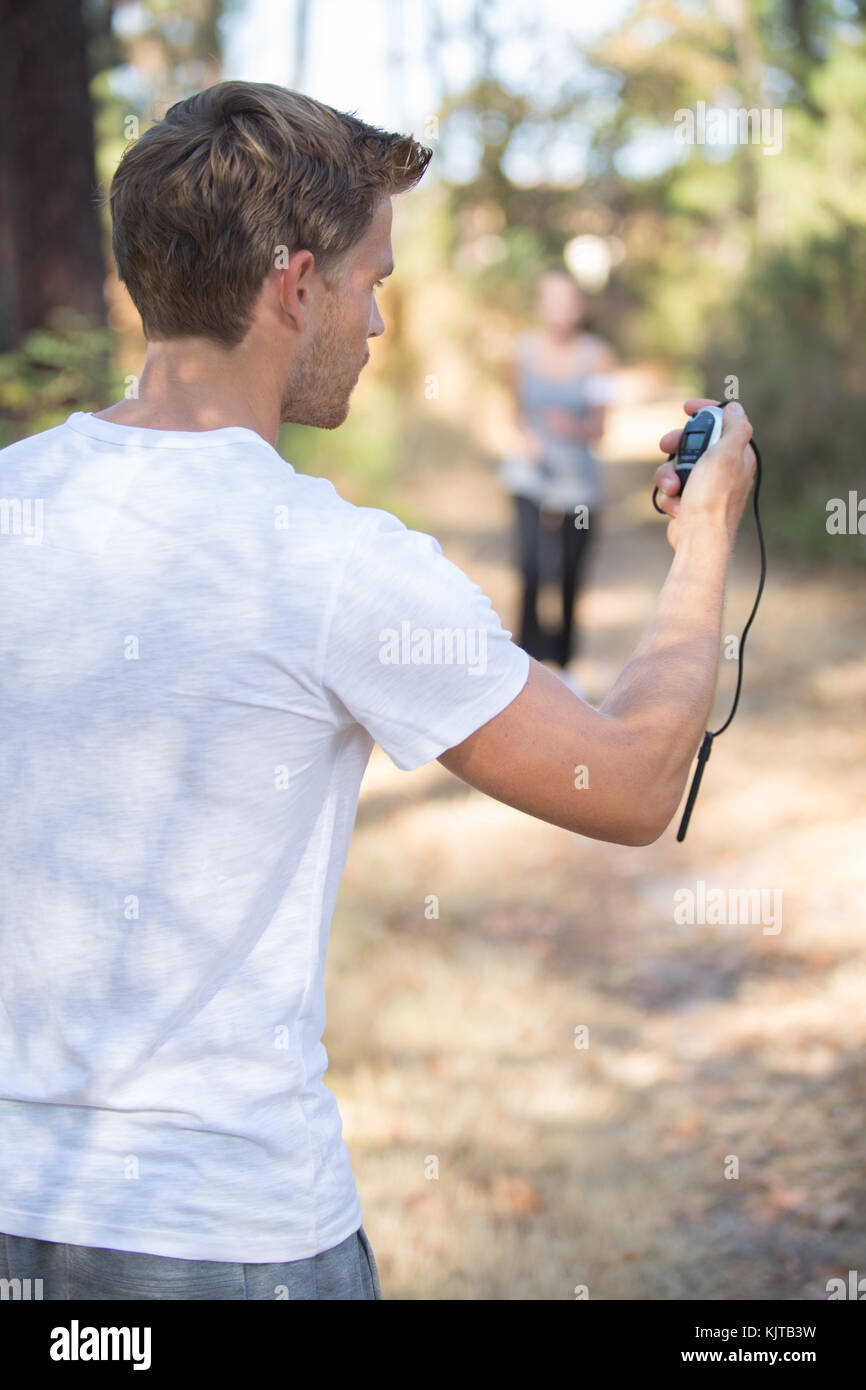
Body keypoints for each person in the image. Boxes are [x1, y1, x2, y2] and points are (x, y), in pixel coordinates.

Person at [0, 80, 756, 1302]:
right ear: (295, 286)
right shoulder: (332, 561)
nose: (378, 321)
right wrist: (707, 533)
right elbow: (625, 784)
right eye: (374, 282)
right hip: (227, 1238)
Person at [500, 268, 617, 688]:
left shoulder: (599, 355)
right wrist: (528, 435)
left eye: (567, 301)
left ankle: (566, 667)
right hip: (529, 474)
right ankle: (526, 667)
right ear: (540, 305)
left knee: (569, 571)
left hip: (578, 480)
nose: (559, 310)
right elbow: (515, 408)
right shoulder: (522, 350)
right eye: (551, 300)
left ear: (580, 308)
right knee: (531, 569)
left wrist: (575, 428)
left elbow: (602, 428)